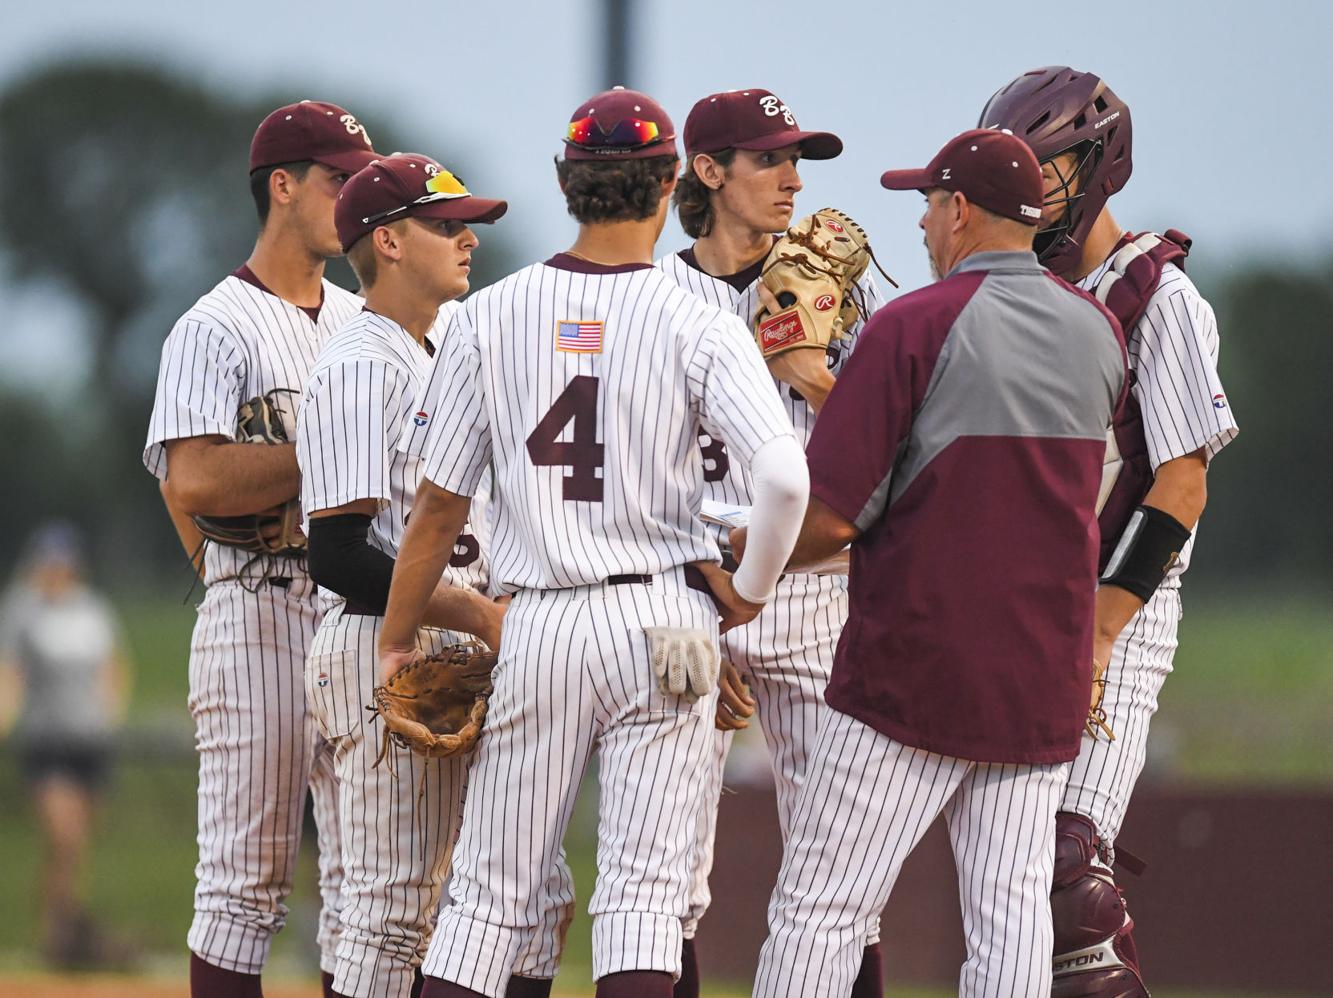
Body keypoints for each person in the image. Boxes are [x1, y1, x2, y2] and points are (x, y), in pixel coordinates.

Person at [377, 87, 809, 998]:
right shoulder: (700, 319)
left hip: (537, 619)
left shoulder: (489, 317)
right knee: (645, 900)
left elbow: (438, 509)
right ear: (666, 186)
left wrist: (393, 638)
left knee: (489, 902)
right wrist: (749, 594)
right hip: (668, 618)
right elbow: (785, 480)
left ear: (567, 184)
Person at [747, 128, 1127, 996]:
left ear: (958, 209)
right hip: (1038, 672)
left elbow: (835, 514)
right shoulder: (1098, 329)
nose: (919, 222)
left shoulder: (910, 321)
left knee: (822, 908)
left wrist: (743, 571)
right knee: (1009, 917)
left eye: (925, 202)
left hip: (913, 670)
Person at [979, 66, 1240, 994]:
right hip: (1017, 605)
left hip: (1111, 606)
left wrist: (1097, 631)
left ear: (1096, 163)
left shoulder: (1159, 298)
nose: (1026, 187)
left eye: (1043, 167)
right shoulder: (1015, 290)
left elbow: (1179, 484)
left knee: (1065, 869)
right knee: (1005, 888)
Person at [655, 87, 886, 998]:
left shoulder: (842, 283)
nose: (793, 179)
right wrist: (706, 597)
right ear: (708, 171)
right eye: (769, 159)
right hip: (689, 593)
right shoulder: (653, 295)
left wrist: (810, 373)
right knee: (663, 873)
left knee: (843, 874)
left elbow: (896, 439)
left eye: (799, 160)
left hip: (820, 588)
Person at [144, 100, 379, 997]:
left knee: (367, 885)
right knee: (245, 886)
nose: (353, 194)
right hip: (259, 604)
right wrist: (229, 576)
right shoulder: (215, 325)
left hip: (351, 610)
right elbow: (193, 482)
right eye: (336, 178)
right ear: (281, 187)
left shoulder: (362, 320)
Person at [297, 152, 511, 998]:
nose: (468, 242)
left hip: (425, 631)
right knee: (389, 915)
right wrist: (479, 616)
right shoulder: (362, 363)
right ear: (387, 241)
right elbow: (340, 552)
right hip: (378, 644)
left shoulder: (433, 350)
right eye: (447, 226)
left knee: (390, 910)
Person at [0, 523, 132, 969]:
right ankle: (60, 929)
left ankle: (60, 932)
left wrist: (111, 712)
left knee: (76, 846)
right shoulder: (24, 610)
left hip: (89, 741)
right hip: (47, 740)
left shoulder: (92, 610)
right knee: (65, 834)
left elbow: (113, 664)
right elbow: (10, 673)